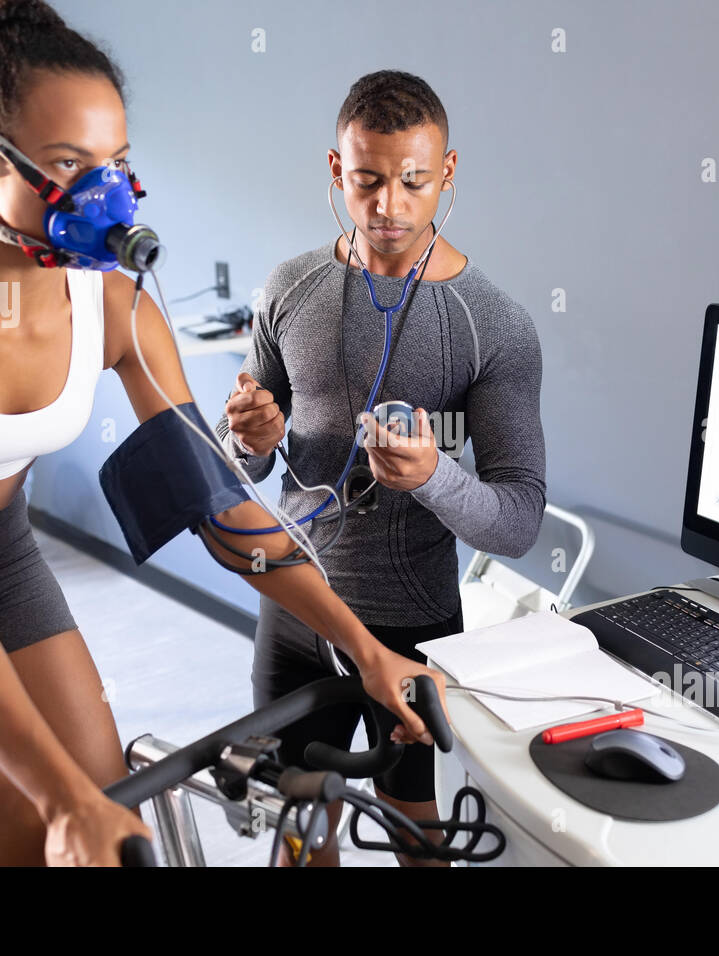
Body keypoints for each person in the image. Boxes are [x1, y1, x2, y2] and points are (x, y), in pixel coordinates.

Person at [0, 0, 444, 867]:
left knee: (105, 797)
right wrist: (58, 806)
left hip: (1, 558)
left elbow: (222, 514)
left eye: (119, 163)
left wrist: (364, 649)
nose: (109, 196)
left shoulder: (117, 303)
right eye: (69, 165)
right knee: (25, 820)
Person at [216, 70, 547, 866]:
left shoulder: (495, 325)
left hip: (410, 623)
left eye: (413, 181)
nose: (389, 206)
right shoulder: (289, 288)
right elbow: (244, 471)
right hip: (293, 608)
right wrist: (252, 441)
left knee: (413, 825)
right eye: (366, 180)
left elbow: (521, 520)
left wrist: (433, 475)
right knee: (298, 820)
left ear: (449, 173)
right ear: (337, 172)